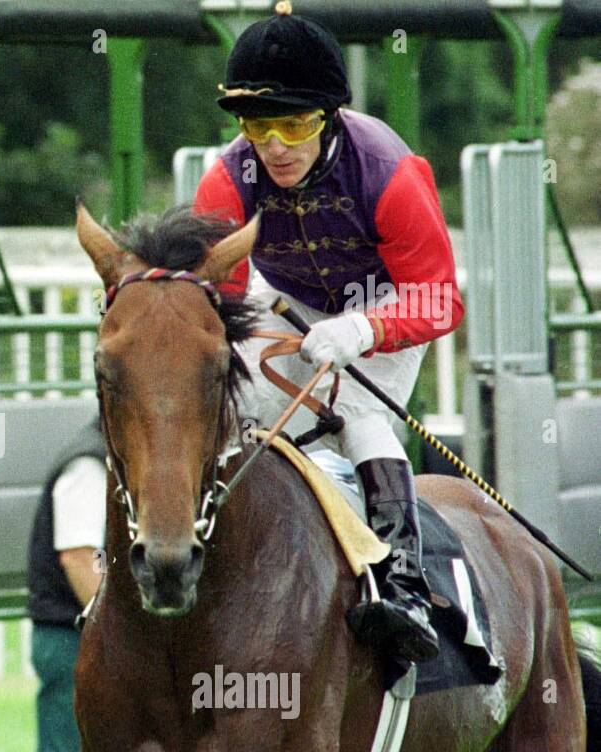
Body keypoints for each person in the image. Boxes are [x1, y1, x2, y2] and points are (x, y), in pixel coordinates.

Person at [192, 3, 463, 664]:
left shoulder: (391, 174)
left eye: (295, 123)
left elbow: (439, 297)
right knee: (239, 409)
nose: (276, 146)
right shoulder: (227, 180)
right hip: (287, 299)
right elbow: (215, 299)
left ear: (329, 116)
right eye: (260, 124)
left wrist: (365, 328)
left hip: (386, 302)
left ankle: (399, 584)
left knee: (358, 413)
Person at [26, 415, 105, 752]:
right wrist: (111, 633)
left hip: (77, 635)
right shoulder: (88, 463)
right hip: (72, 638)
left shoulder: (94, 455)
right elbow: (78, 557)